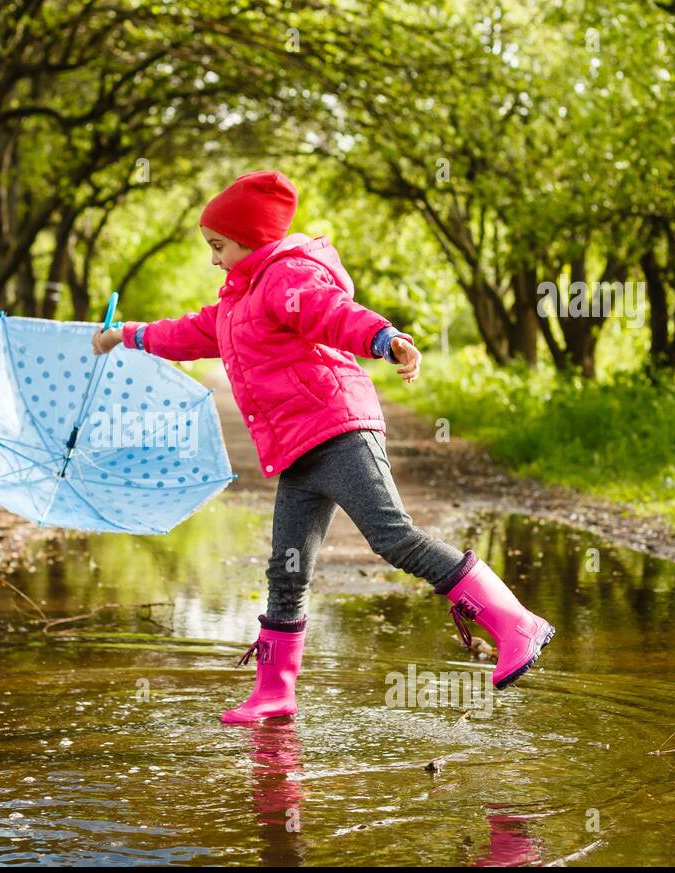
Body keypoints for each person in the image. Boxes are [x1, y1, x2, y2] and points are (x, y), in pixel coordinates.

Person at [91, 170, 553, 723]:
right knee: (287, 572)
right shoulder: (238, 301)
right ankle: (273, 691)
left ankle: (515, 622)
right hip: (295, 453)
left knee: (392, 537)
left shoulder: (289, 278)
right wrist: (128, 335)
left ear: (249, 239)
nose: (213, 258)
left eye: (218, 246)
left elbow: (335, 314)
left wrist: (384, 337)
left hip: (339, 430)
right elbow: (189, 333)